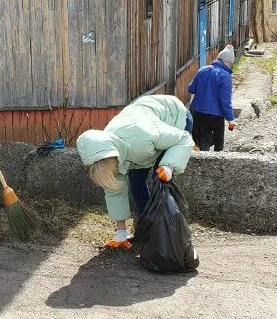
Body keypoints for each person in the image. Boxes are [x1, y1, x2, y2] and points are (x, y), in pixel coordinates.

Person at [76, 95, 194, 249]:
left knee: (161, 179)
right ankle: (147, 224)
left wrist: (169, 167)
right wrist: (120, 232)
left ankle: (168, 230)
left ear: (114, 157)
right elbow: (114, 191)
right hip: (141, 137)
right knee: (136, 180)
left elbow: (183, 139)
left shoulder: (143, 136)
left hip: (175, 116)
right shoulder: (104, 154)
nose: (115, 171)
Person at [188, 44, 236, 151]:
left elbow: (191, 89)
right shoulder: (225, 76)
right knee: (218, 144)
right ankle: (217, 165)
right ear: (227, 62)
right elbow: (225, 101)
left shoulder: (202, 70)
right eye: (231, 64)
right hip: (215, 116)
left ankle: (201, 162)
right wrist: (230, 119)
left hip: (198, 113)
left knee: (201, 142)